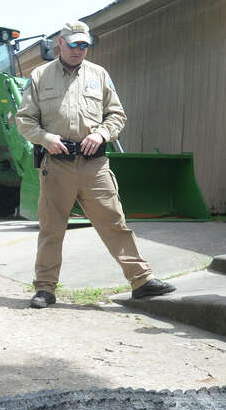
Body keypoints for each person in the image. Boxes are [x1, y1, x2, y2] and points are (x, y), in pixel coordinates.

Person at [15, 20, 176, 309]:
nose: (79, 50)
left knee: (114, 223)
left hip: (94, 165)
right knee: (52, 229)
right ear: (60, 44)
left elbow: (117, 115)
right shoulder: (40, 76)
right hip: (58, 163)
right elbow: (24, 120)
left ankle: (141, 281)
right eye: (74, 44)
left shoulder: (99, 75)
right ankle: (45, 288)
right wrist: (46, 138)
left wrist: (102, 133)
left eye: (84, 45)